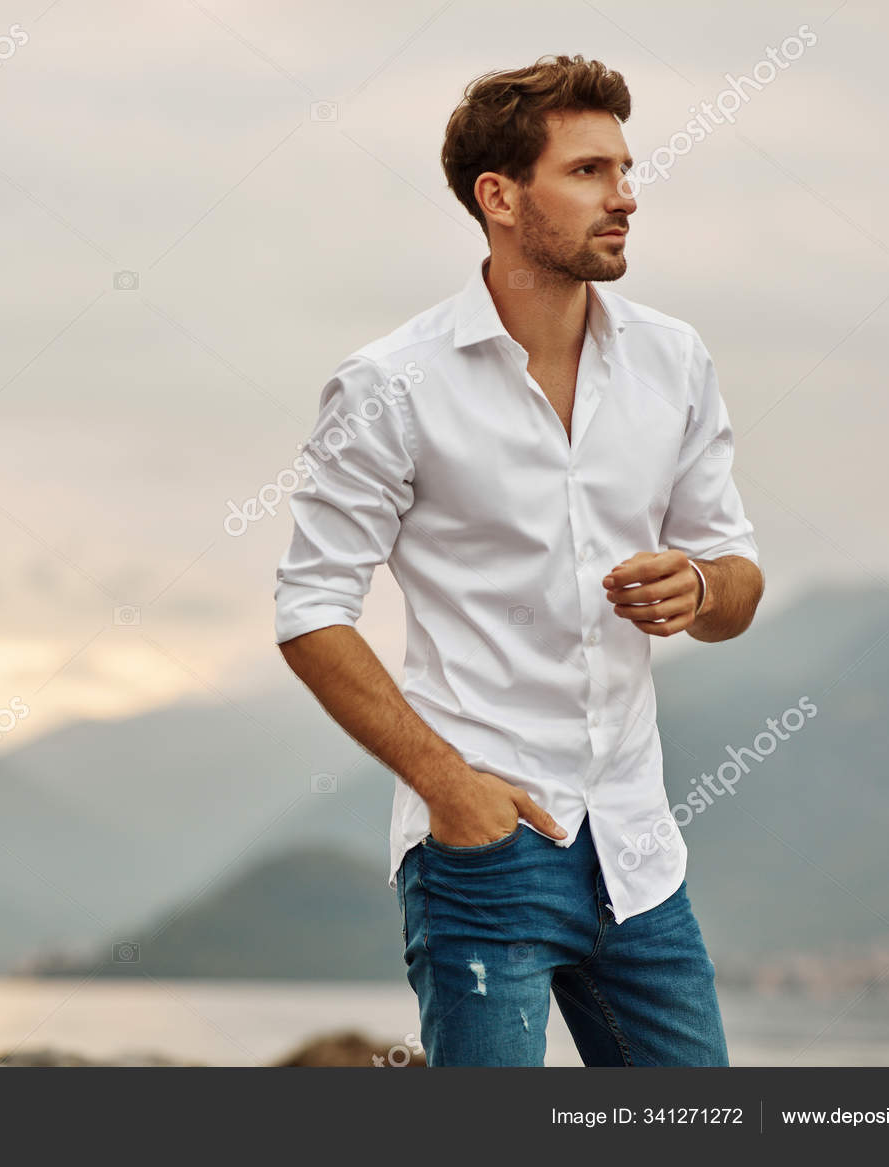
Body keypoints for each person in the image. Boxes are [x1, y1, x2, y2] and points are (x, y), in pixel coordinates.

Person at [273, 54, 765, 1066]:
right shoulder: (390, 387)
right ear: (499, 196)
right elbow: (309, 610)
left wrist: (702, 586)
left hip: (637, 851)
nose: (624, 197)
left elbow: (736, 579)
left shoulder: (675, 362)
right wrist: (450, 788)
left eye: (625, 170)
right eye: (587, 172)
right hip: (485, 849)